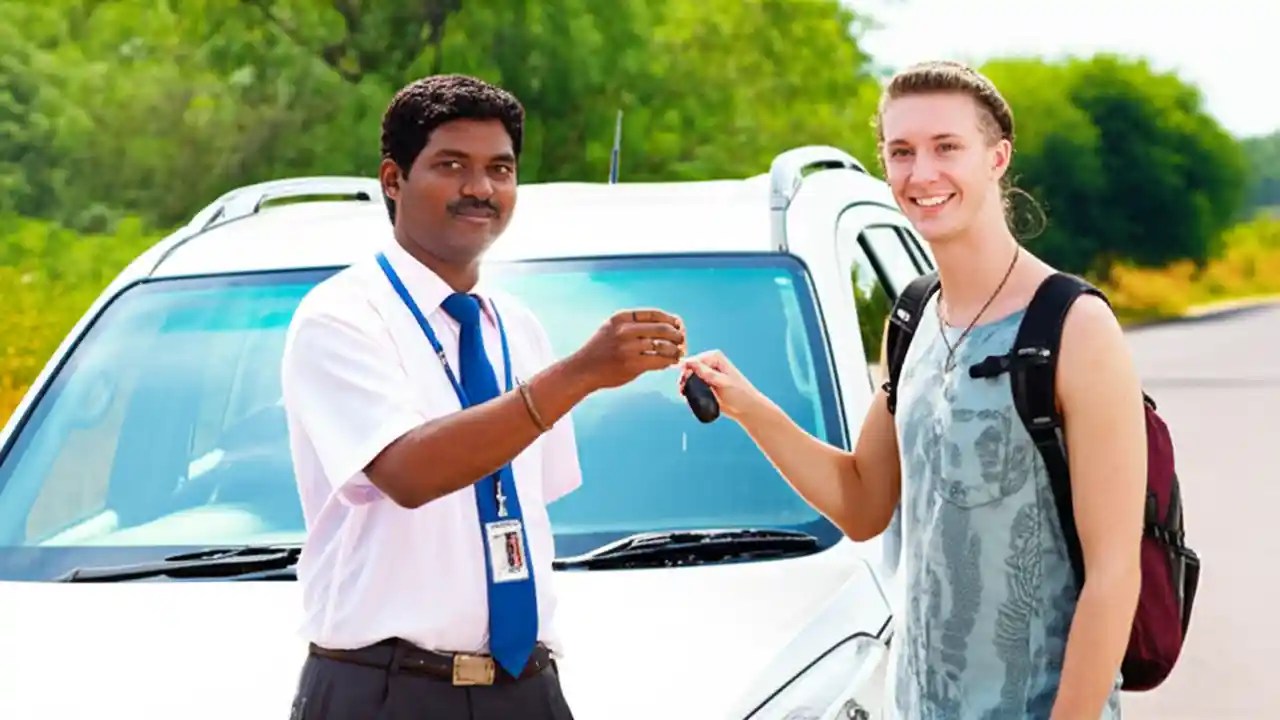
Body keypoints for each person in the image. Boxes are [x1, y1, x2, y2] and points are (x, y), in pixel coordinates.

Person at [679, 60, 1146, 719]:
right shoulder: (913, 317)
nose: (921, 173)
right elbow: (862, 503)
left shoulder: (1074, 326)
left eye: (946, 147)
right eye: (901, 152)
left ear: (997, 157)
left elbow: (1114, 575)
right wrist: (748, 407)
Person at [280, 74, 687, 720]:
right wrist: (579, 374)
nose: (481, 188)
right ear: (393, 179)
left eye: (501, 169)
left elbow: (524, 503)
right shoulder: (342, 317)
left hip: (525, 686)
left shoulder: (516, 326)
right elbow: (409, 473)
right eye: (452, 166)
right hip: (388, 690)